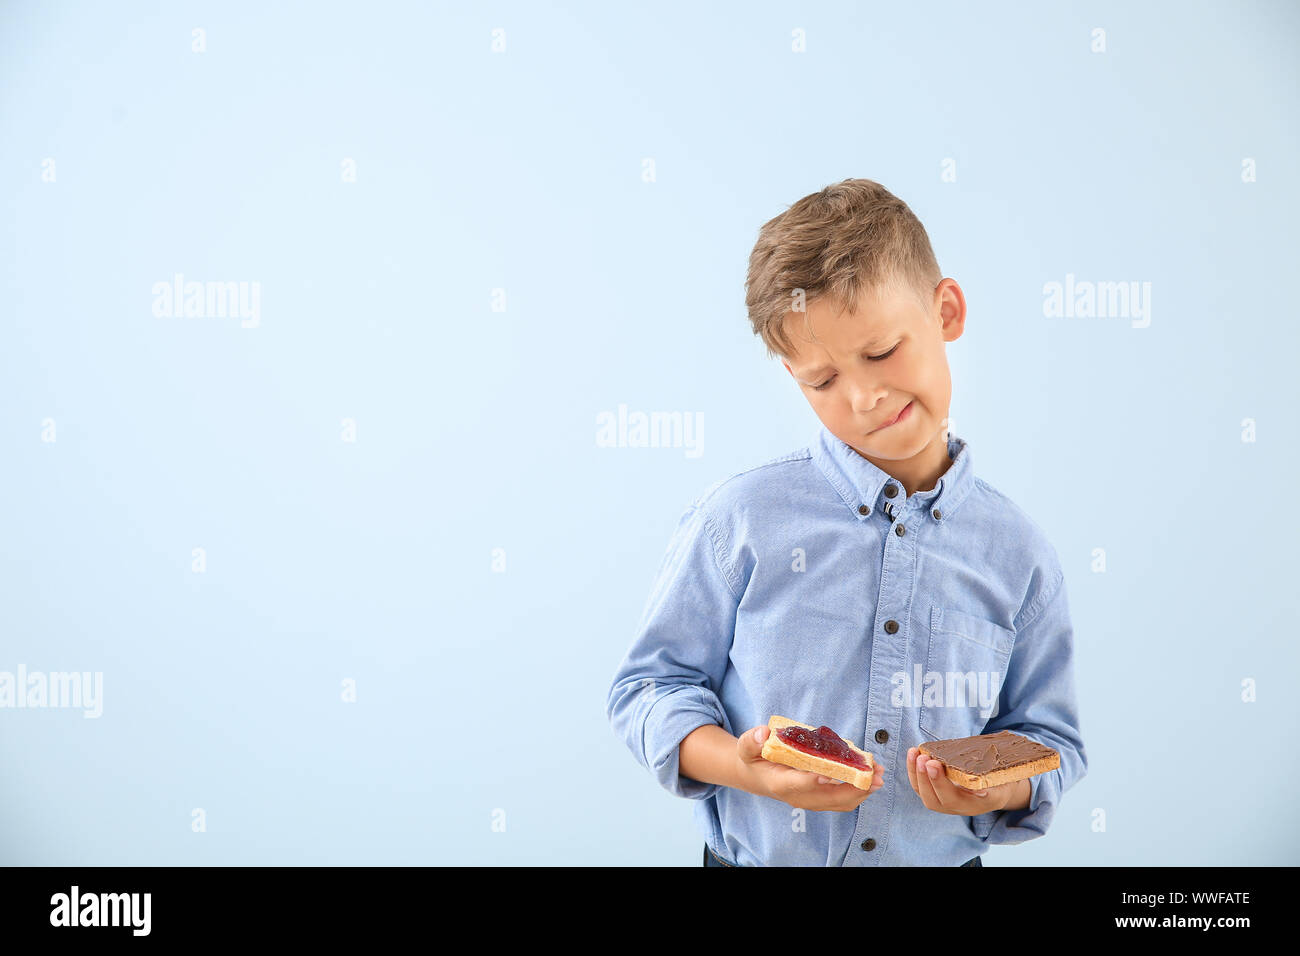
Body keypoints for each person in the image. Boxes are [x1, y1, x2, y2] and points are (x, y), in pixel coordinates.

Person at [605, 178, 1087, 866]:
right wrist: (744, 767)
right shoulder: (739, 521)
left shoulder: (1020, 555)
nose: (863, 397)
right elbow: (649, 687)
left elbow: (1050, 741)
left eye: (883, 352)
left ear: (945, 311)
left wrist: (998, 792)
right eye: (822, 381)